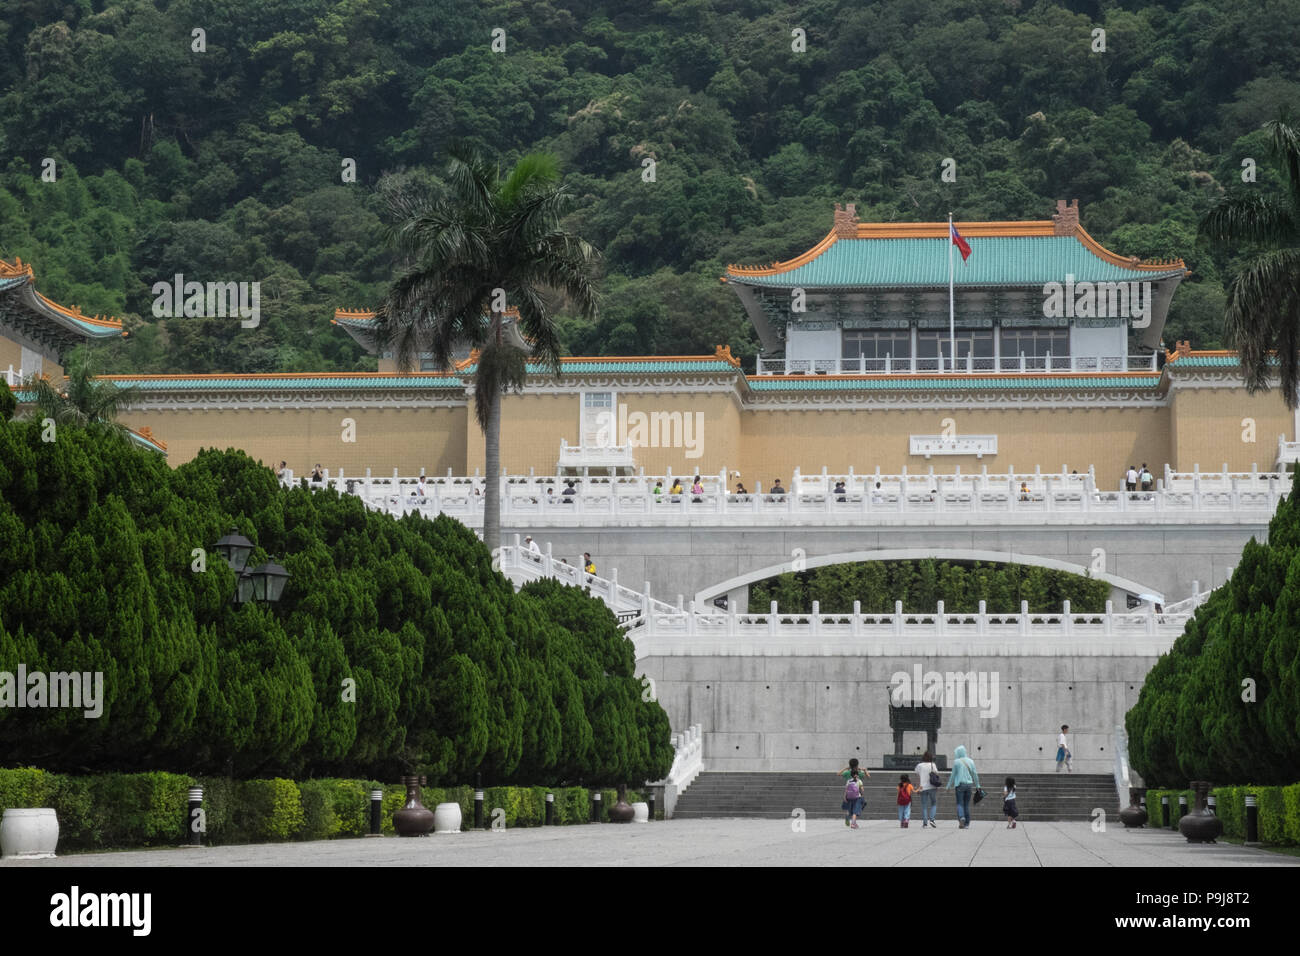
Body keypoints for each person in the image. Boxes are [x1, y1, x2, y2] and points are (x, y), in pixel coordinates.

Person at [944, 744, 980, 828]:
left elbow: (953, 775)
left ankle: (961, 817)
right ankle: (967, 824)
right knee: (966, 805)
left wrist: (948, 786)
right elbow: (975, 774)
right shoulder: (971, 761)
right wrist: (978, 785)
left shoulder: (957, 762)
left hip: (960, 785)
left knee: (960, 803)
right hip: (969, 785)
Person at [839, 758, 869, 829]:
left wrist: (845, 768)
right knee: (857, 808)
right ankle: (853, 821)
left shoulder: (847, 773)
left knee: (849, 808)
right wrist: (865, 771)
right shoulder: (859, 774)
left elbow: (838, 774)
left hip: (848, 794)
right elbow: (868, 776)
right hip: (857, 795)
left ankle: (847, 816)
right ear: (857, 764)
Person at [914, 750, 942, 828]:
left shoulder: (919, 766)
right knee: (934, 803)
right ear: (931, 758)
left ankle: (925, 824)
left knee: (924, 805)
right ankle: (932, 820)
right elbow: (936, 775)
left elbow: (918, 778)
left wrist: (917, 788)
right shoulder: (933, 765)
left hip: (922, 788)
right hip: (932, 787)